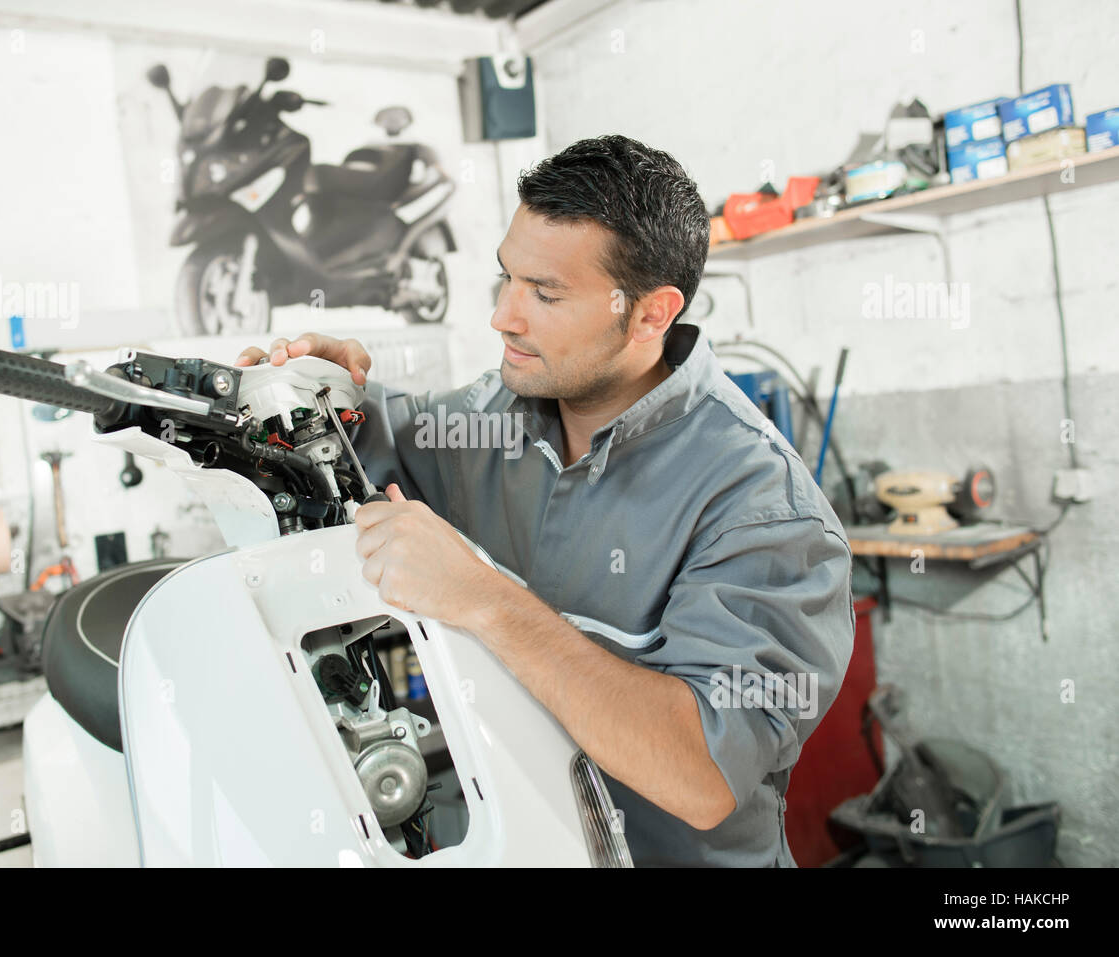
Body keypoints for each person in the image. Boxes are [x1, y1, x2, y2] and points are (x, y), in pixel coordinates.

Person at [235, 134, 854, 867]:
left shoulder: (765, 509)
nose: (504, 316)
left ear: (653, 313)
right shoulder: (495, 413)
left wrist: (483, 598)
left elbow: (701, 771)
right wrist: (331, 396)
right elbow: (378, 438)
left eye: (546, 293)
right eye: (507, 278)